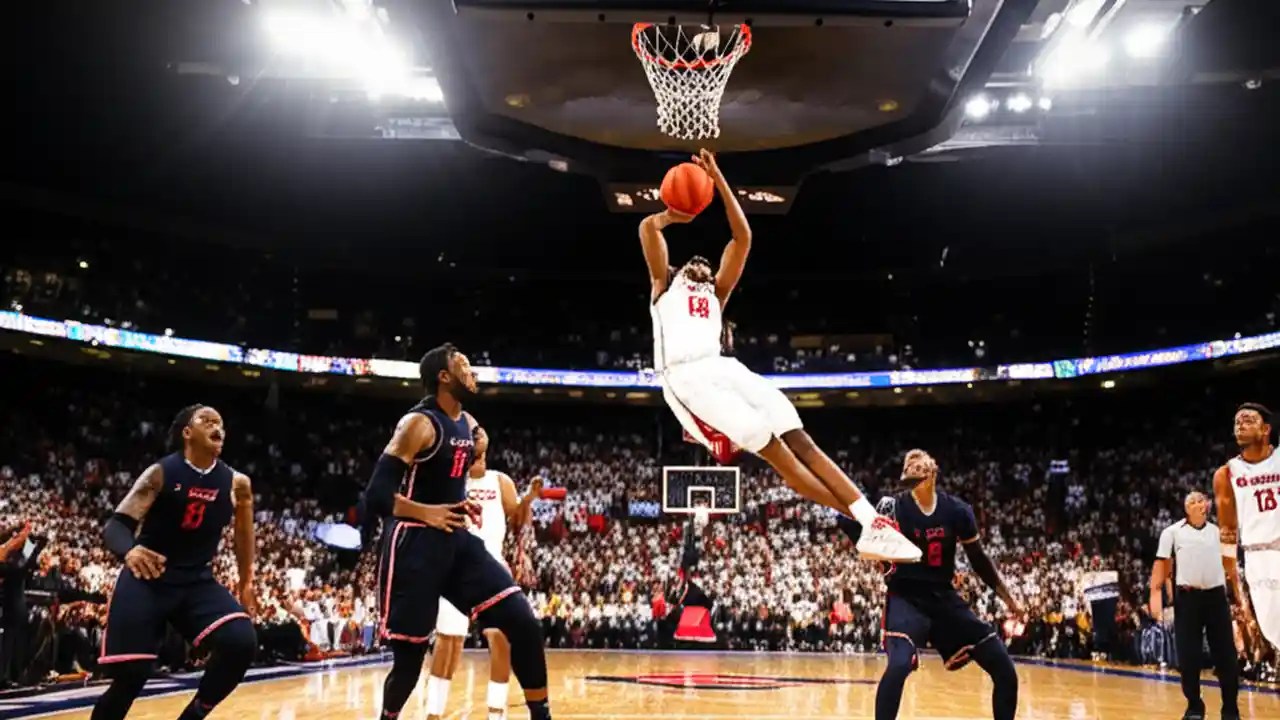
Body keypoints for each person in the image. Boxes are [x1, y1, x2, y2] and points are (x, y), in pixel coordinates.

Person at [639, 149, 919, 564]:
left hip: (725, 369)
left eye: (704, 262)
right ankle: (868, 521)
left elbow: (743, 238)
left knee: (798, 435)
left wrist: (718, 180)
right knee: (775, 451)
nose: (699, 263)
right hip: (685, 380)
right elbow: (647, 227)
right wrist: (672, 215)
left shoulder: (717, 293)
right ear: (679, 271)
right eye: (692, 262)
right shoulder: (663, 290)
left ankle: (872, 525)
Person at [362, 343, 553, 720]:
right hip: (413, 545)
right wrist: (428, 512)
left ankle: (541, 715)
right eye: (464, 366)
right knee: (410, 661)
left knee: (524, 623)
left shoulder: (467, 424)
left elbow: (469, 450)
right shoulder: (417, 424)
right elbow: (377, 495)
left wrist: (458, 499)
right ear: (444, 377)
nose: (473, 372)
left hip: (457, 541)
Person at [91, 405, 258, 720]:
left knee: (241, 640)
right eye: (206, 420)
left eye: (220, 422)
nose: (216, 426)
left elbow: (243, 535)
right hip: (148, 577)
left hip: (195, 581)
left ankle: (193, 716)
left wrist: (247, 581)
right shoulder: (162, 472)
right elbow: (115, 526)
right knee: (133, 674)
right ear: (187, 432)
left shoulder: (238, 484)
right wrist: (129, 550)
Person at [843, 449, 1020, 720]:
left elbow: (980, 561)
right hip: (905, 596)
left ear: (933, 470)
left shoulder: (957, 511)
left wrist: (1010, 599)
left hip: (944, 598)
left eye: (920, 461)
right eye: (908, 463)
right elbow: (854, 523)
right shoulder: (892, 506)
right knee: (899, 665)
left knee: (1005, 670)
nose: (914, 463)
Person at [424, 428, 545, 720]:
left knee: (499, 641)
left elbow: (517, 519)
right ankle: (433, 713)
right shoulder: (452, 480)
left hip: (491, 568)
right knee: (447, 643)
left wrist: (528, 498)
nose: (481, 457)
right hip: (457, 566)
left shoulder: (500, 480)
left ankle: (496, 715)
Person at [1150, 491, 1240, 720]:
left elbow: (1230, 567)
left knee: (1226, 655)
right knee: (1188, 657)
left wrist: (1239, 596)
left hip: (1216, 598)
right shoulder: (1171, 533)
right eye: (1193, 501)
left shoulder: (1220, 532)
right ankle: (1194, 706)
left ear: (1208, 505)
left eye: (1202, 500)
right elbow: (1162, 565)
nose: (1198, 503)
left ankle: (1230, 708)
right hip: (1188, 599)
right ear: (1186, 508)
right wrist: (1155, 594)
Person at [1213, 402, 1279, 652]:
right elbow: (1227, 533)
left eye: (1249, 420)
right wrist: (1239, 595)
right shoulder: (1227, 474)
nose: (1240, 424)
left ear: (1266, 430)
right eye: (1237, 421)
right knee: (1273, 631)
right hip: (1256, 558)